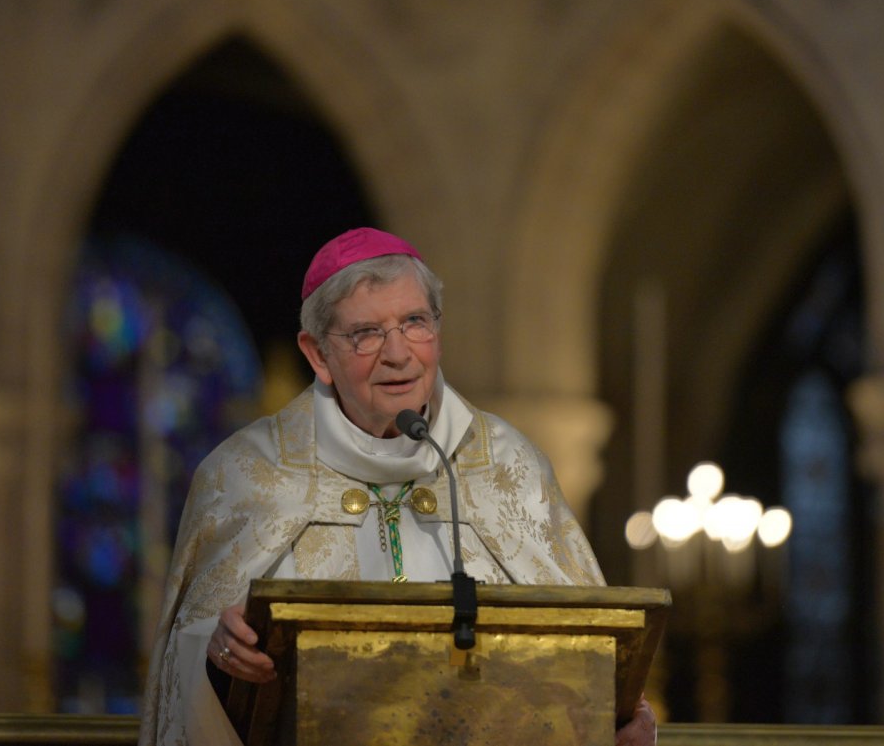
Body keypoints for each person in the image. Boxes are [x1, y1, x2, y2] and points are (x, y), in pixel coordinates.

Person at [139, 227, 657, 746]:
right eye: (366, 333)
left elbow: (586, 649)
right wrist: (219, 649)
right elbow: (183, 671)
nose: (398, 354)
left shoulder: (508, 462)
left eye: (414, 323)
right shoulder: (246, 473)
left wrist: (615, 719)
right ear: (318, 354)